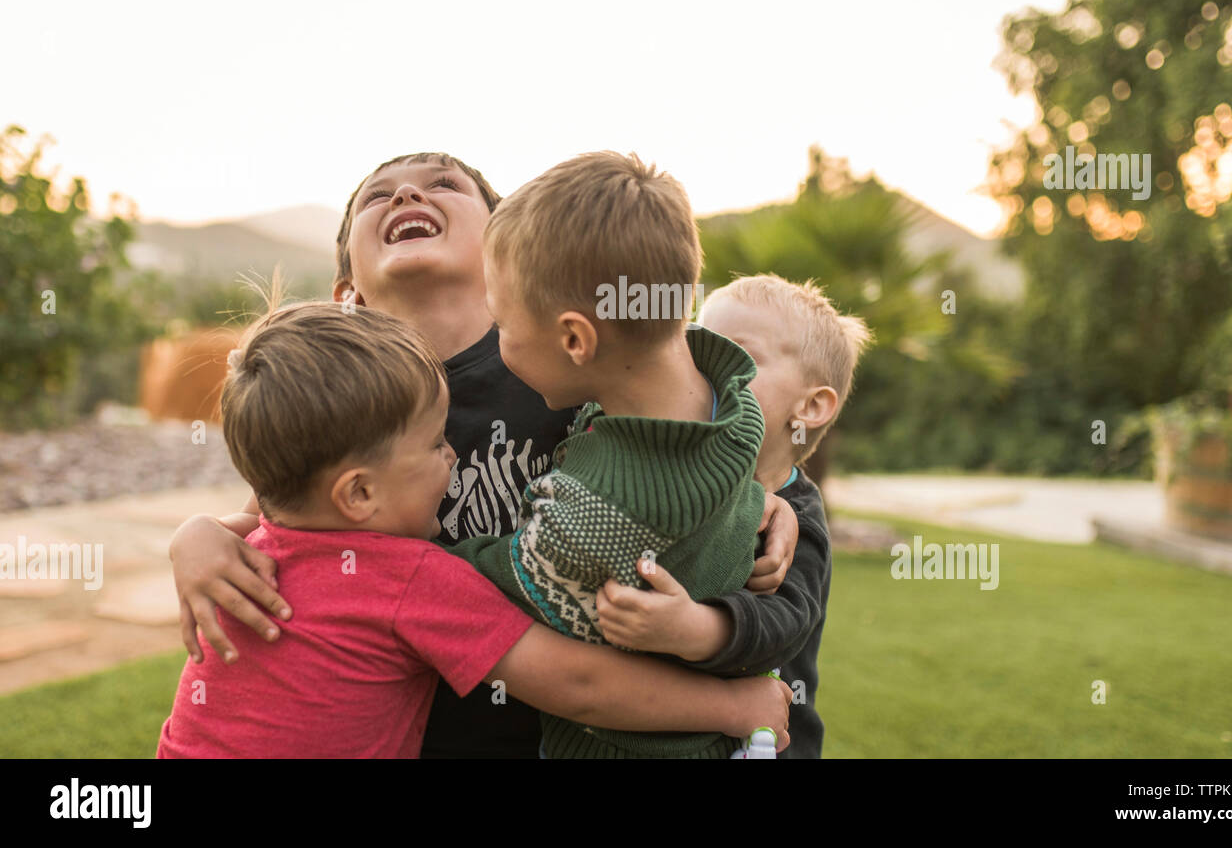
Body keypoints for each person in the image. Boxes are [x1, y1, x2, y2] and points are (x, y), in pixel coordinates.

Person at [167, 151, 801, 759]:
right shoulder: (335, 405)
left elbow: (691, 437)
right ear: (346, 294)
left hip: (545, 735)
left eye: (443, 184)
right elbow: (278, 513)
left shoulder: (570, 371)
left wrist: (768, 499)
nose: (406, 195)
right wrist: (196, 537)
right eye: (376, 196)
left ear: (509, 259)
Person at [444, 151, 779, 759]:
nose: (498, 341)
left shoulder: (596, 515)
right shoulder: (731, 398)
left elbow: (485, 580)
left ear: (575, 339)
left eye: (502, 324)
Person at [594, 274, 871, 758]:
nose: (703, 367)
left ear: (810, 406)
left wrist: (694, 628)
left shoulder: (798, 518)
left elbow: (784, 620)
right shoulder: (681, 475)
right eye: (694, 347)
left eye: (736, 352)